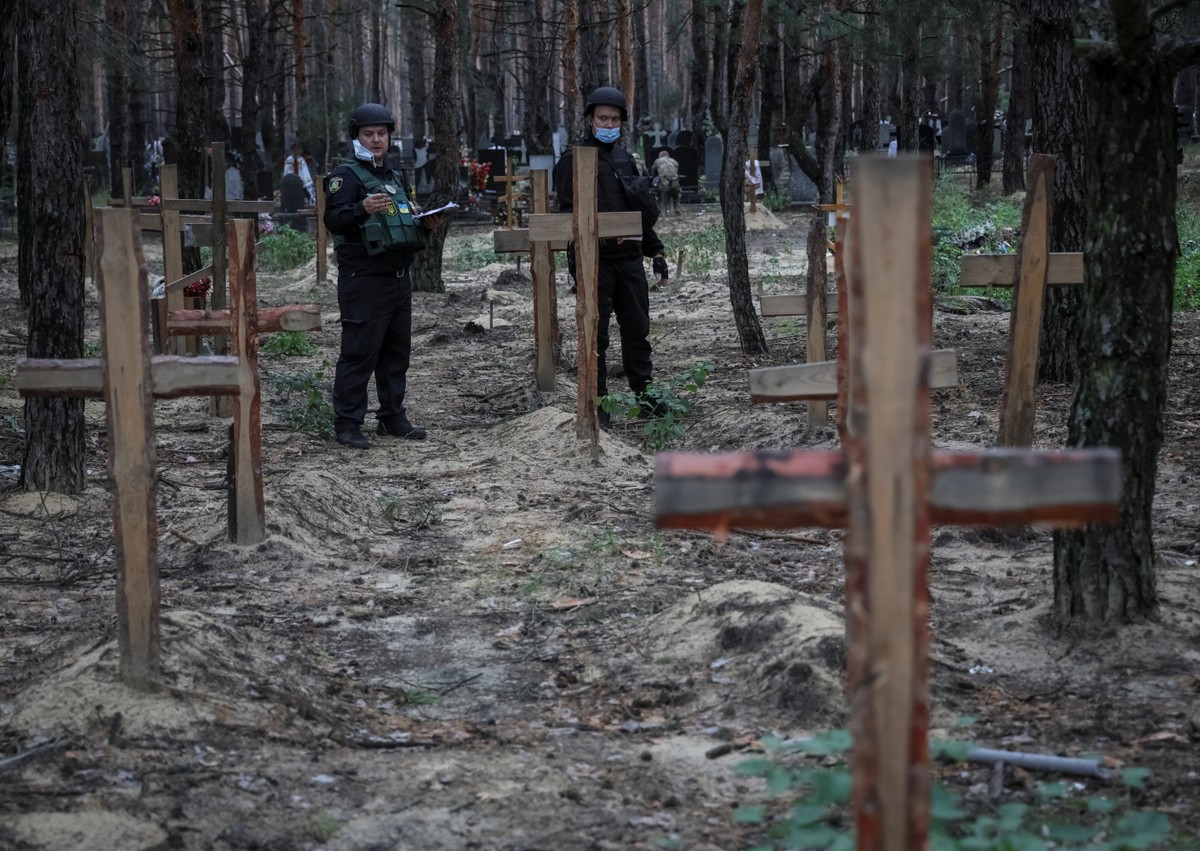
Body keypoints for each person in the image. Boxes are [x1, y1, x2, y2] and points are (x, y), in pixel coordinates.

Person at [323, 103, 449, 449]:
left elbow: (400, 219)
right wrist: (361, 209)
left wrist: (425, 222)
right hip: (363, 278)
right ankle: (348, 423)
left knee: (396, 353)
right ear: (356, 137)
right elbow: (333, 220)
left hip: (398, 277)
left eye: (382, 133)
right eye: (369, 134)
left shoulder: (394, 176)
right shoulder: (343, 177)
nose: (376, 140)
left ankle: (392, 417)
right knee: (359, 352)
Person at [553, 86, 669, 430]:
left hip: (630, 259)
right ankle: (597, 400)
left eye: (615, 119)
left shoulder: (625, 159)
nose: (609, 123)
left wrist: (656, 251)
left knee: (637, 330)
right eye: (603, 118)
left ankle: (644, 394)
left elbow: (638, 211)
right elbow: (565, 217)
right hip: (594, 262)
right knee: (596, 334)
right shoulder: (572, 160)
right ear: (590, 120)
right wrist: (596, 237)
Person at [650, 149, 682, 215]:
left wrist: (653, 178)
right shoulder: (674, 161)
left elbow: (652, 169)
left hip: (664, 185)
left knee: (658, 193)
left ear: (660, 156)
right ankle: (677, 208)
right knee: (679, 193)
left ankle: (662, 211)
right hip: (675, 184)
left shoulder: (658, 161)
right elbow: (676, 172)